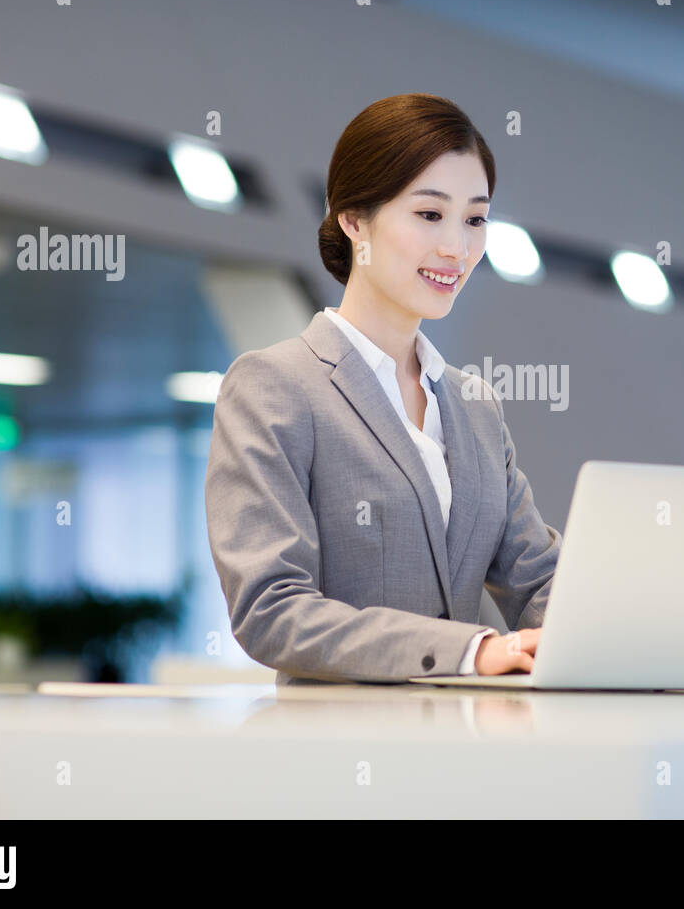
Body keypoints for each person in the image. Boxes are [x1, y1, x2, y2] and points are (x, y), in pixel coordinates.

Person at [205, 94, 561, 684]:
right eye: (429, 215)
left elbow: (537, 576)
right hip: (340, 752)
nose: (457, 248)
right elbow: (271, 609)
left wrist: (633, 634)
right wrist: (469, 651)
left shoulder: (475, 408)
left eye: (475, 219)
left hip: (466, 753)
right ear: (354, 220)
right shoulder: (274, 387)